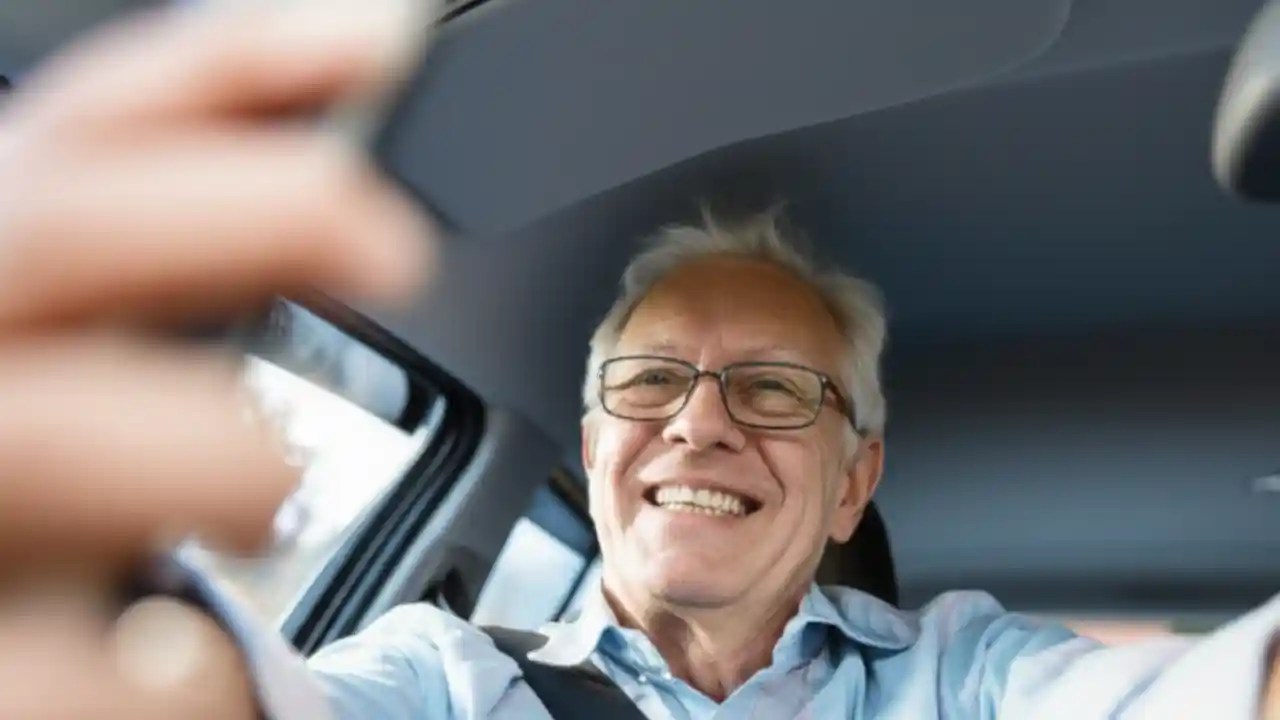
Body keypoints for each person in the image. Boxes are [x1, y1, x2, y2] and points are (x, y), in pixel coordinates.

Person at [0, 3, 1276, 719]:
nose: (697, 426)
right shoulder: (443, 676)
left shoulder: (963, 674)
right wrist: (126, 631)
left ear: (851, 480)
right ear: (597, 439)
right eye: (651, 381)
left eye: (774, 388)